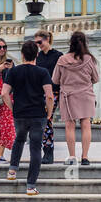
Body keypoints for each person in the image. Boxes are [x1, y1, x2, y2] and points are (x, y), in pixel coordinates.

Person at [2, 40, 54, 196]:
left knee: (19, 139)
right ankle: (31, 186)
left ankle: (12, 170)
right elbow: (49, 96)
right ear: (36, 55)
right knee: (35, 148)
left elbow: (4, 93)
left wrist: (12, 108)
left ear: (22, 55)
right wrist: (49, 113)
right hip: (38, 114)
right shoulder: (43, 72)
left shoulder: (13, 71)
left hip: (20, 113)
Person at [51, 30, 100, 165]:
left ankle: (72, 157)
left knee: (69, 126)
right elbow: (96, 78)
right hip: (86, 95)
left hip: (68, 96)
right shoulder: (89, 59)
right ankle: (85, 157)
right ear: (85, 43)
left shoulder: (62, 60)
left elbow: (55, 80)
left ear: (70, 43)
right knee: (86, 125)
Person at [34, 29, 64, 163]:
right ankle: (46, 149)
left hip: (54, 92)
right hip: (39, 93)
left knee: (47, 119)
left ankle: (48, 150)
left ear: (47, 39)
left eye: (39, 42)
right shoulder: (37, 57)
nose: (38, 45)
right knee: (44, 120)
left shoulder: (58, 55)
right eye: (36, 43)